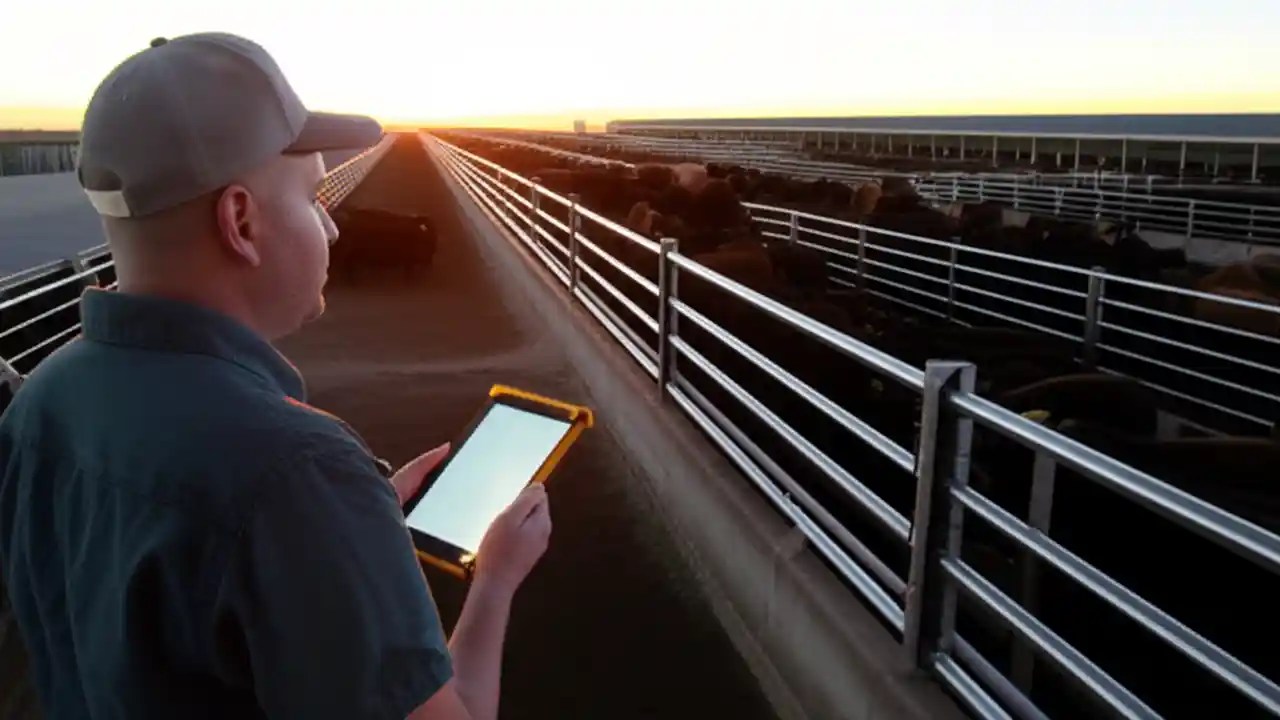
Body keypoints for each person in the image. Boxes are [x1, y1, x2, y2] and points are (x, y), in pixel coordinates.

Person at [0, 32, 551, 720]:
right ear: (241, 221)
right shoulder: (297, 472)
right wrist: (495, 576)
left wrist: (350, 532)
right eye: (313, 195)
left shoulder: (43, 399)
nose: (332, 227)